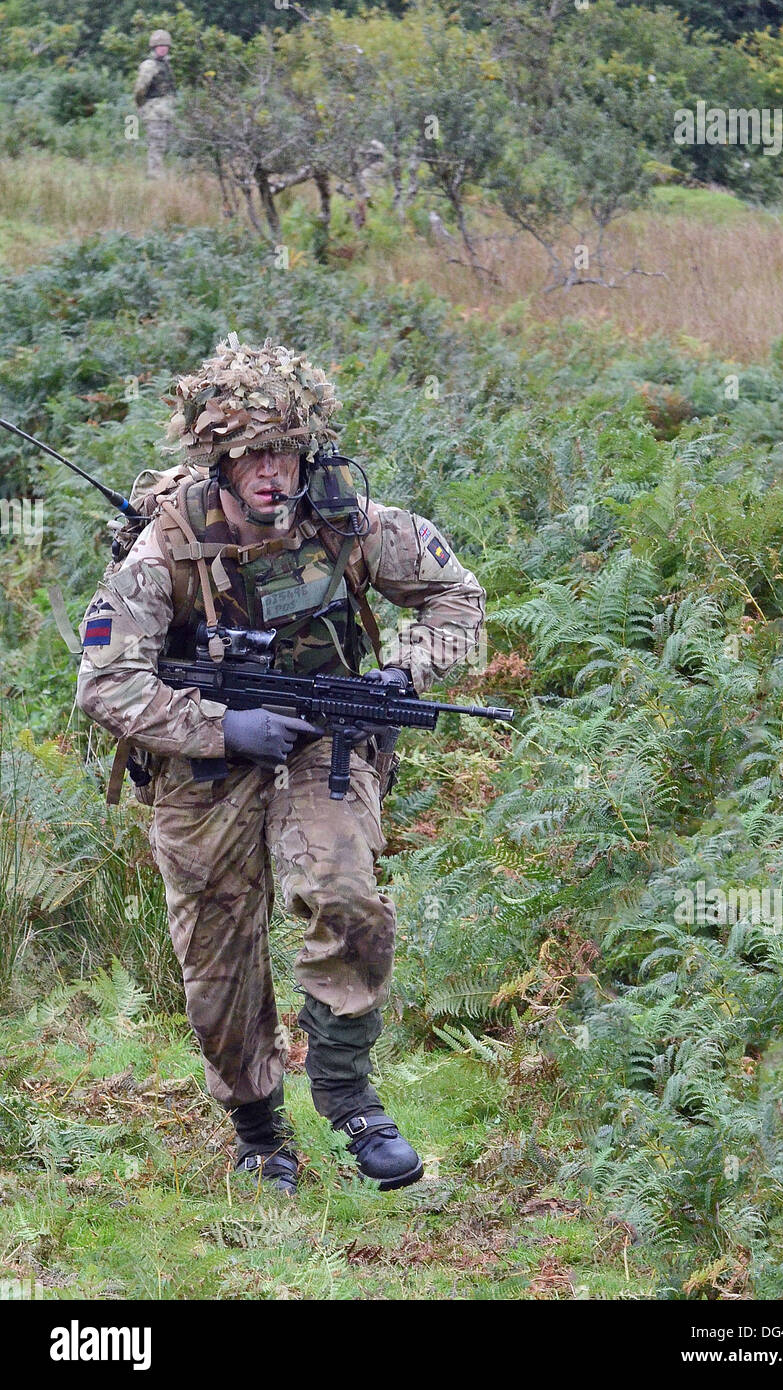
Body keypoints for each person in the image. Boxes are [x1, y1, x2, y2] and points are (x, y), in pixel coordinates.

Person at [75, 335, 486, 1195]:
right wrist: (225, 726)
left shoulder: (346, 519)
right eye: (249, 455)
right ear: (217, 459)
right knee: (218, 954)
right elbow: (106, 684)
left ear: (310, 450)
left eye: (285, 451)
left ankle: (349, 1102)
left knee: (348, 899)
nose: (270, 472)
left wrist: (408, 667)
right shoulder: (167, 550)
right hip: (203, 761)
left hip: (325, 741)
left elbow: (458, 598)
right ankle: (258, 1131)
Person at [133, 29, 177, 179]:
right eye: (160, 46)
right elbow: (140, 89)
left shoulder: (166, 64)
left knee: (162, 145)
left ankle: (157, 175)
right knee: (156, 146)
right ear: (153, 47)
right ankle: (154, 176)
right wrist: (142, 106)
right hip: (154, 112)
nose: (163, 48)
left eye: (165, 45)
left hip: (165, 112)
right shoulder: (149, 65)